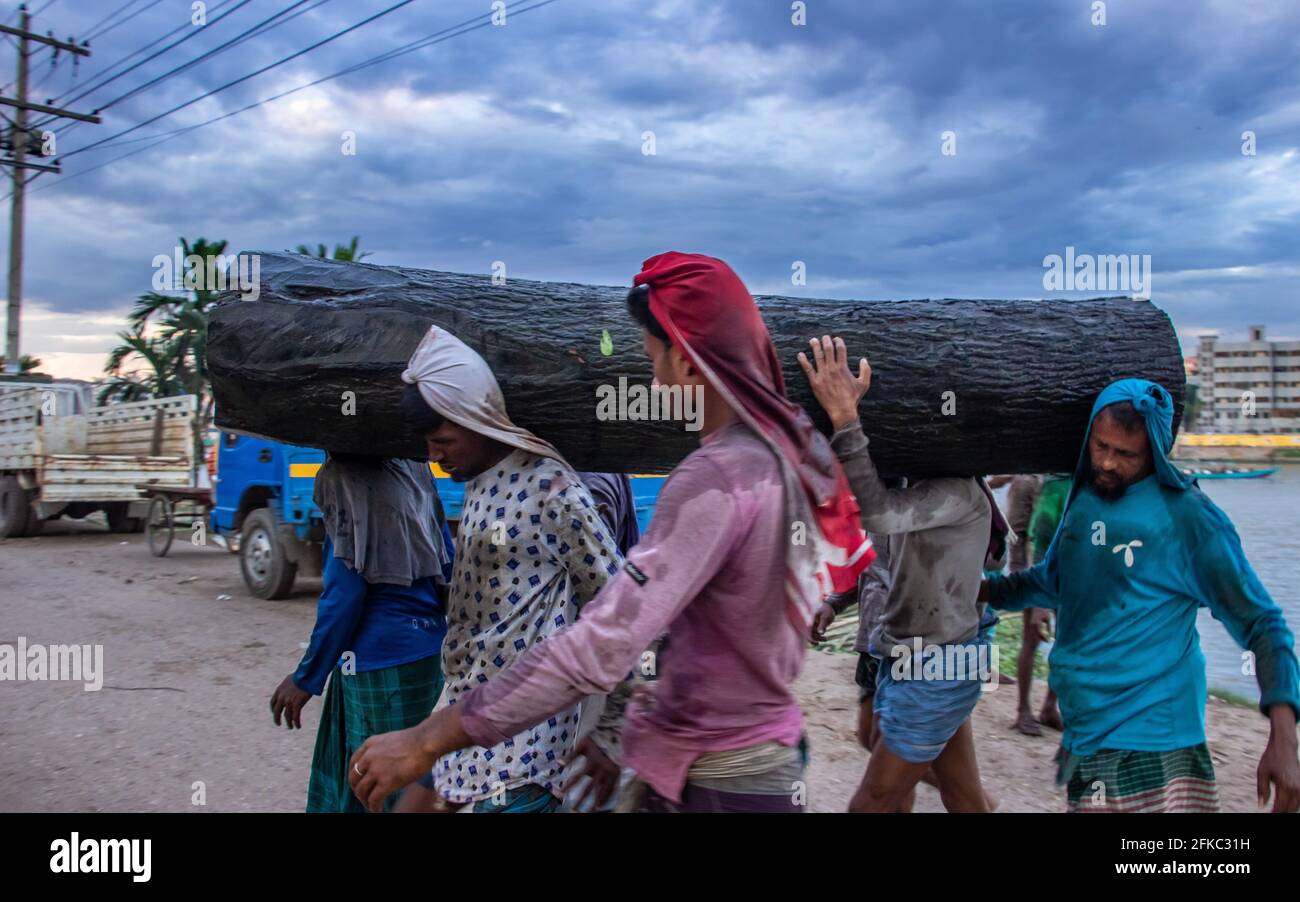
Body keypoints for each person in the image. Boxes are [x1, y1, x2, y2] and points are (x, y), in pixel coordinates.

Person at [347, 251, 874, 813]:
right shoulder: (790, 453)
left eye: (655, 359)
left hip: (714, 786)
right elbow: (680, 629)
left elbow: (603, 642)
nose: (653, 377)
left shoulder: (713, 479)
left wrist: (429, 738)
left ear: (689, 364)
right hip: (752, 763)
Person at [980, 379, 1300, 812]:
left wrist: (1283, 739)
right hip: (1088, 732)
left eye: (1126, 454)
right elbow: (1051, 583)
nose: (1108, 463)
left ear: (1156, 450)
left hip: (1156, 740)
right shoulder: (1086, 498)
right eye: (1100, 446)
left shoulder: (1190, 519)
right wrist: (980, 590)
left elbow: (1263, 625)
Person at [393, 328, 628, 813]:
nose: (435, 456)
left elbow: (629, 613)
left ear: (475, 419)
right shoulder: (477, 483)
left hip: (525, 746)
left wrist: (611, 735)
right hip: (466, 720)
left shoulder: (552, 490)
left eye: (443, 440)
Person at [798, 335, 1003, 813]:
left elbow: (879, 517)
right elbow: (874, 553)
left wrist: (846, 418)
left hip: (937, 664)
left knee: (869, 803)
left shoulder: (958, 491)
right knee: (962, 795)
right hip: (924, 655)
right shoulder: (927, 483)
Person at [269, 454, 454, 813]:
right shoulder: (412, 465)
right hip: (425, 652)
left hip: (379, 662)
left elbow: (345, 595)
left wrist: (306, 678)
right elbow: (445, 556)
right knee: (407, 776)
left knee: (380, 787)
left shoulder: (343, 473)